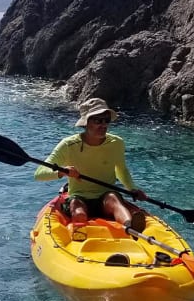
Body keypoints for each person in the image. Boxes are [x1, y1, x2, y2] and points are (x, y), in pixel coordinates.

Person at [33, 97, 148, 232]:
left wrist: (132, 189)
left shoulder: (116, 143)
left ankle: (130, 228)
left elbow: (121, 169)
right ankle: (79, 236)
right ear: (86, 123)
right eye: (98, 121)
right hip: (79, 196)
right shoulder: (68, 145)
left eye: (106, 120)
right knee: (79, 211)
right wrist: (62, 172)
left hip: (106, 195)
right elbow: (39, 174)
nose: (103, 125)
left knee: (114, 199)